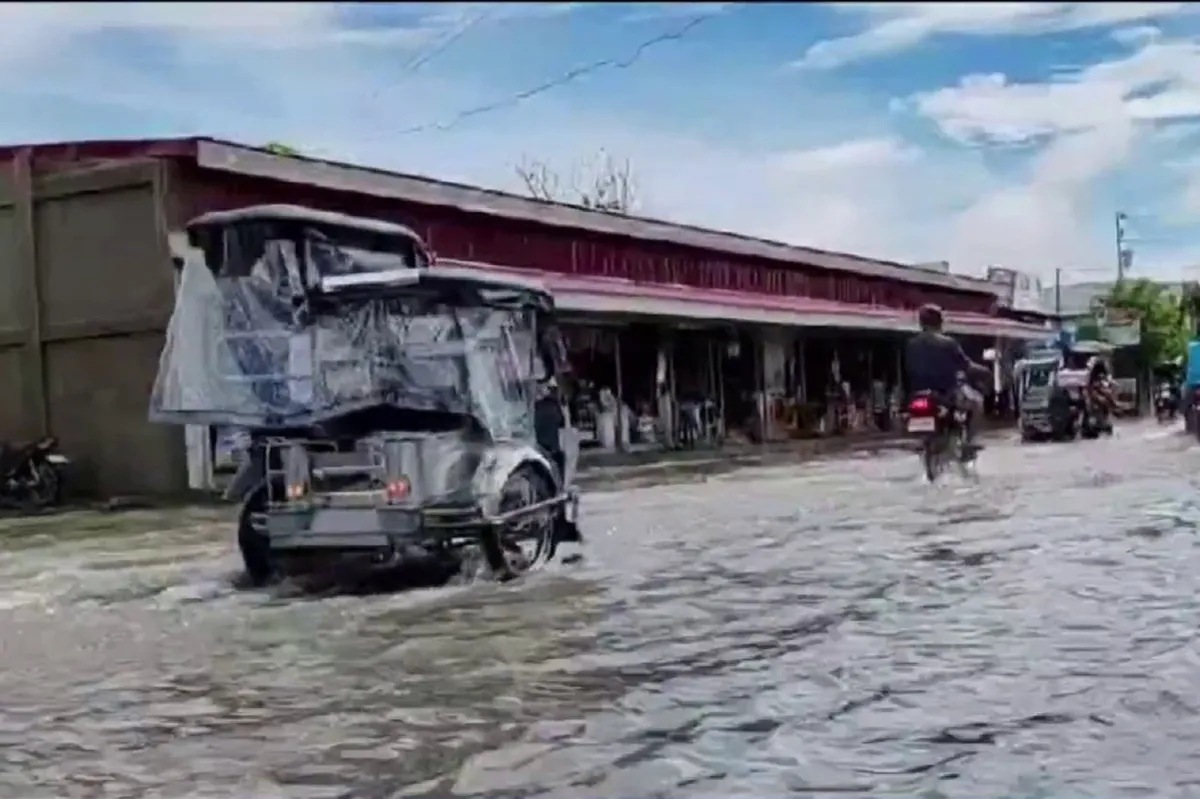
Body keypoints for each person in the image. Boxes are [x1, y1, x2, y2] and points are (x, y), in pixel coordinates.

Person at [904, 303, 991, 449]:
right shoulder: (948, 343)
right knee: (977, 402)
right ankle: (969, 442)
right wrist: (985, 371)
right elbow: (966, 366)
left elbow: (908, 368)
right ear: (940, 322)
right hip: (946, 393)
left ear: (920, 322)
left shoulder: (911, 344)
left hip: (917, 393)